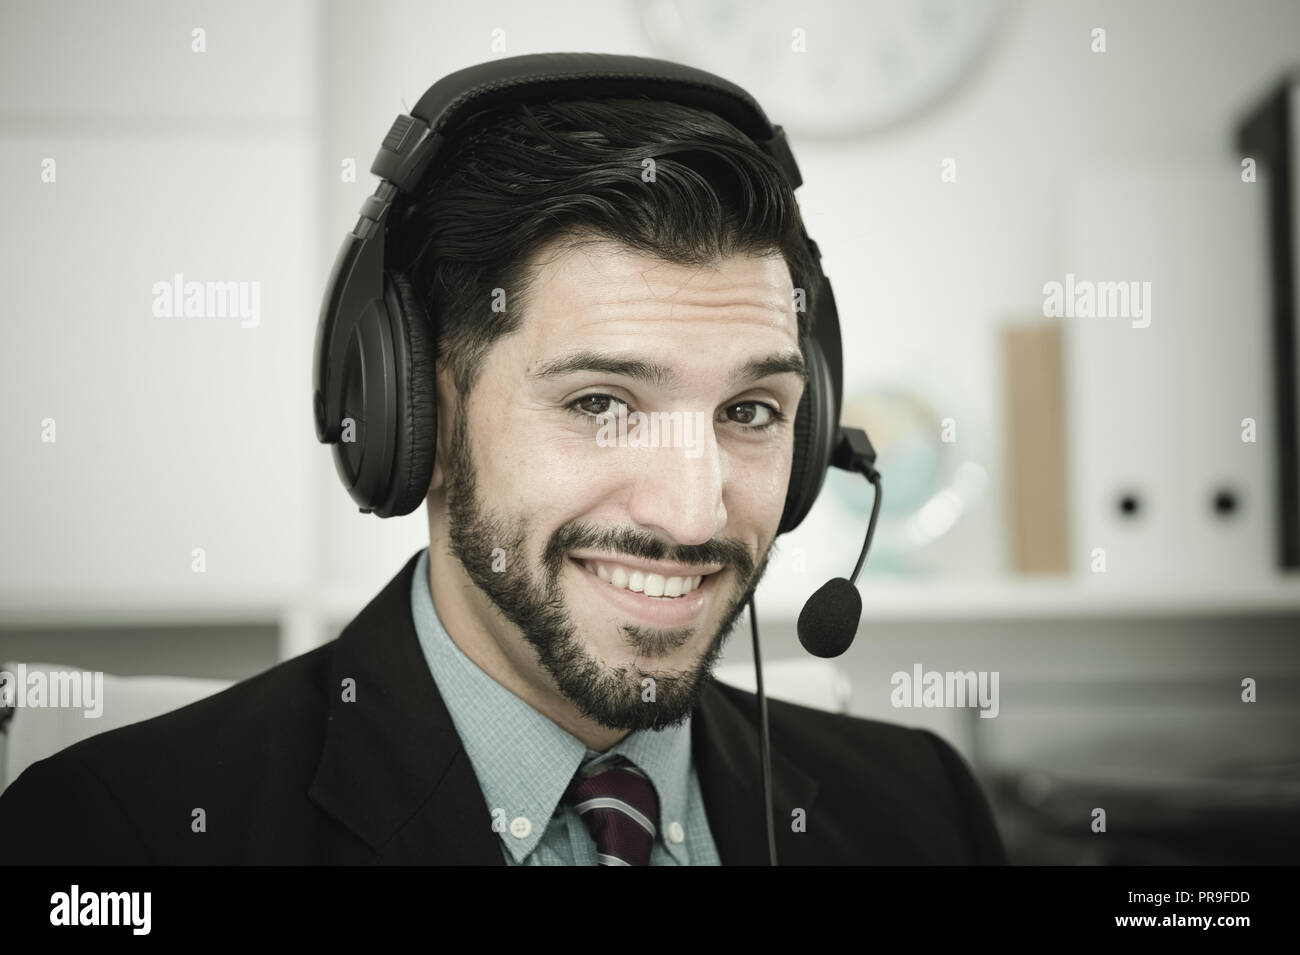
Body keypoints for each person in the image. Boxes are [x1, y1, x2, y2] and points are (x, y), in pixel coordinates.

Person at [0, 88, 1006, 865]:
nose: (695, 509)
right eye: (600, 403)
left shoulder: (923, 811)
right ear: (417, 419)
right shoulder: (112, 832)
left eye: (749, 413)